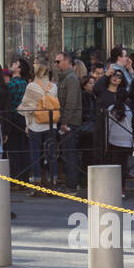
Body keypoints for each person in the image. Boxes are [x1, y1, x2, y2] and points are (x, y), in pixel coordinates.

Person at [19, 66, 59, 190]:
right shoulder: (53, 87)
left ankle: (37, 180)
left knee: (35, 153)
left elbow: (26, 106)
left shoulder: (31, 86)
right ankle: (52, 179)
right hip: (51, 124)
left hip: (36, 124)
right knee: (51, 153)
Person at [54, 52, 82, 189]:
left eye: (58, 61)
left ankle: (71, 183)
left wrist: (64, 122)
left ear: (66, 61)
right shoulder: (65, 78)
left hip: (70, 122)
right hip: (66, 120)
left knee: (69, 153)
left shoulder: (71, 78)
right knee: (67, 152)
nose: (56, 64)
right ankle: (70, 182)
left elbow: (71, 103)